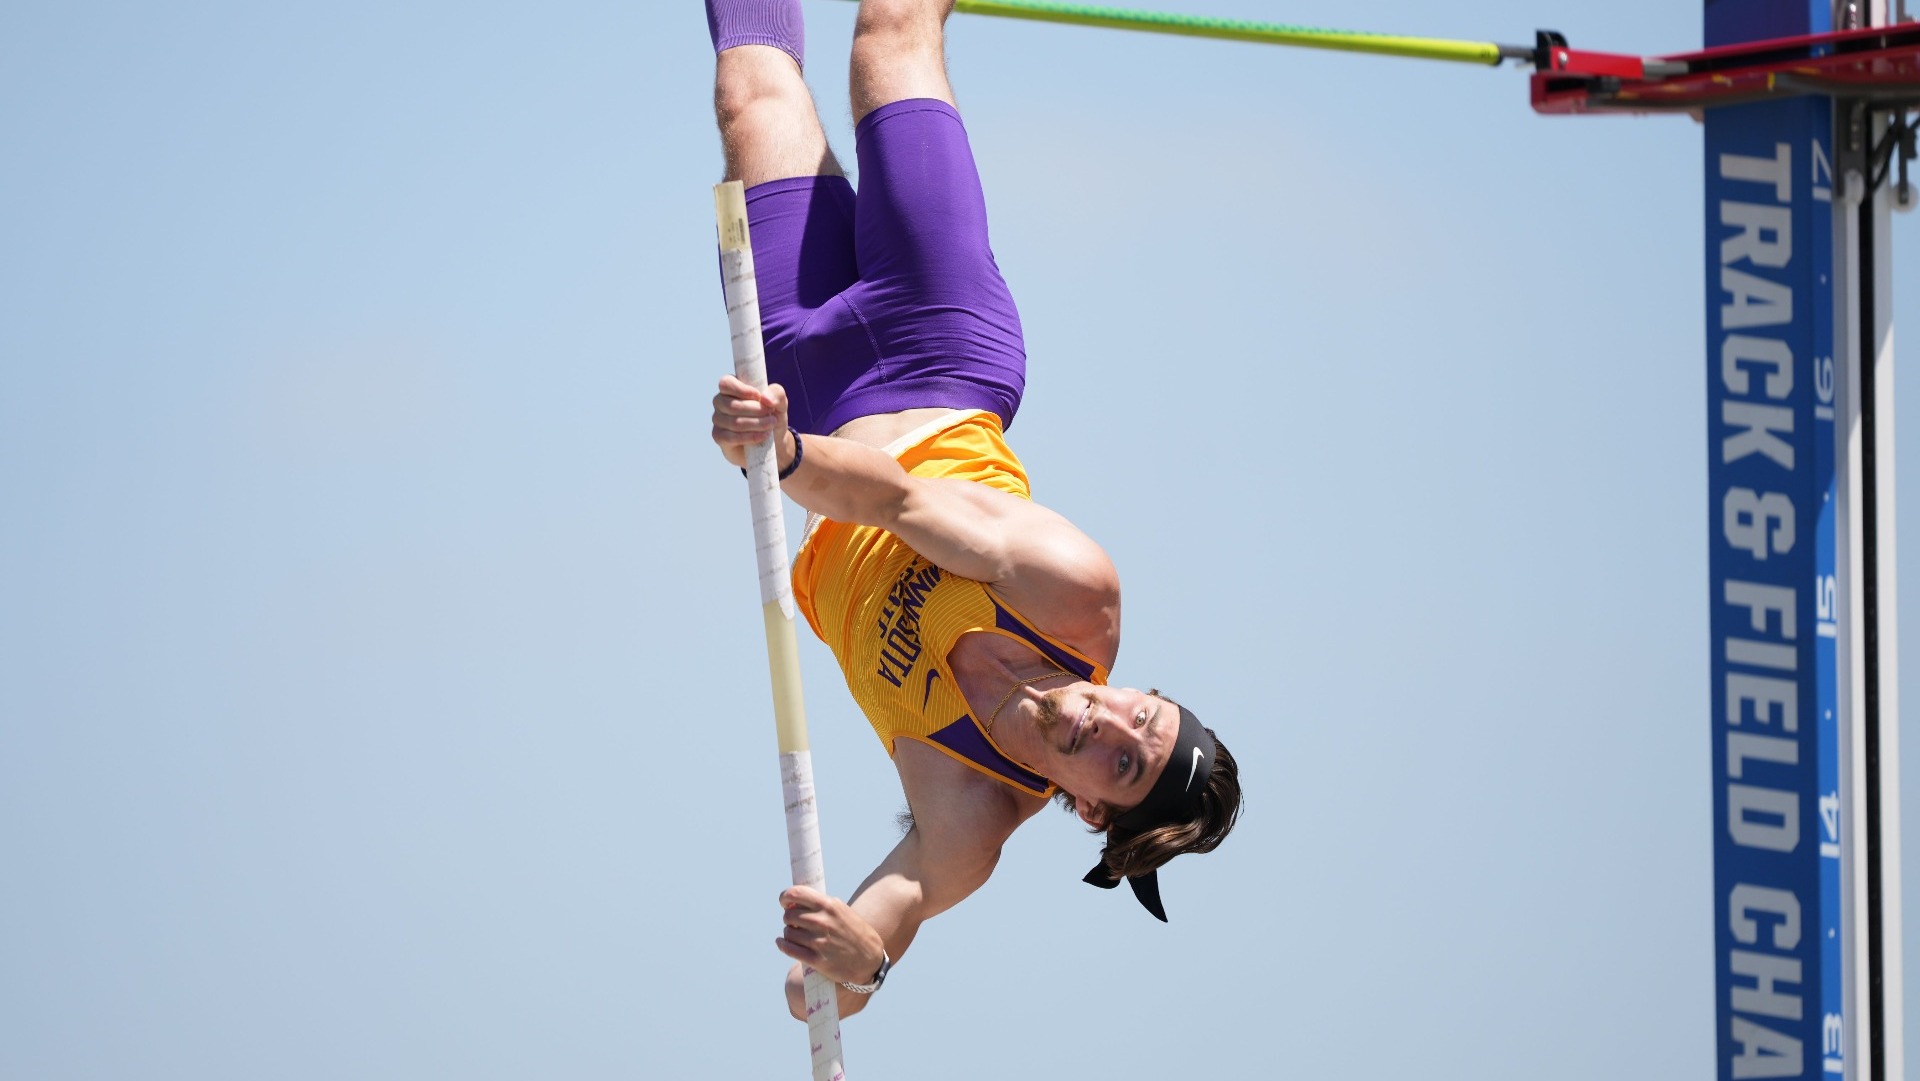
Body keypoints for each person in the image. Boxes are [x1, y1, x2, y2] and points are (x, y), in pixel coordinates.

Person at [705, 0, 1242, 1021]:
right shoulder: (1077, 596)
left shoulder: (967, 816)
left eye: (1123, 759)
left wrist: (855, 963)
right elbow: (902, 499)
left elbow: (828, 978)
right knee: (893, 29)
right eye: (1146, 708)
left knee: (749, 92)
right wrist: (778, 454)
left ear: (1089, 807)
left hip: (807, 389)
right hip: (934, 337)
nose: (1110, 713)